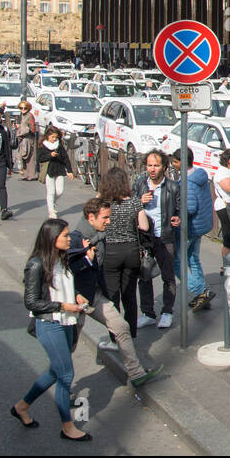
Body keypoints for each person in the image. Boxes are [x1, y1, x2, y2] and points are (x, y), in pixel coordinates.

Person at [70, 197, 162, 387]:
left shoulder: (99, 236)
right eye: (105, 217)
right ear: (90, 217)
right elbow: (65, 271)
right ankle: (64, 386)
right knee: (68, 345)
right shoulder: (75, 240)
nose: (109, 222)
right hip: (75, 300)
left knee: (120, 326)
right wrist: (86, 260)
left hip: (94, 296)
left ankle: (136, 373)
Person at [13, 219, 90, 440]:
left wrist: (75, 296)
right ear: (52, 238)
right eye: (65, 235)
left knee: (55, 372)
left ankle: (22, 407)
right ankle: (67, 426)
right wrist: (63, 306)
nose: (69, 238)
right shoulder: (36, 264)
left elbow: (60, 287)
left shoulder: (61, 259)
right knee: (66, 375)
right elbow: (31, 302)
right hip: (49, 323)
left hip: (66, 321)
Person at [133, 150, 179, 329]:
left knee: (168, 276)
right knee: (144, 276)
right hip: (145, 238)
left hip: (164, 236)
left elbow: (180, 209)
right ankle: (147, 313)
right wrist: (139, 201)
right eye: (149, 165)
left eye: (156, 165)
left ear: (164, 167)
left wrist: (178, 218)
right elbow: (129, 206)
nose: (152, 169)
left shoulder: (173, 187)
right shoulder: (139, 184)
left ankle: (167, 312)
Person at [97, 168, 143, 338]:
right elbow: (144, 226)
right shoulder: (134, 202)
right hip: (131, 251)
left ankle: (116, 336)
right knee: (129, 296)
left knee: (112, 296)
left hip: (110, 252)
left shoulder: (103, 203)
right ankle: (131, 334)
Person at [181, 155, 216, 310]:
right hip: (200, 226)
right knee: (193, 259)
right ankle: (201, 296)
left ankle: (201, 292)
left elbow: (189, 208)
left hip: (190, 228)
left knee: (177, 262)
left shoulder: (188, 182)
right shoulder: (200, 176)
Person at [39, 125, 75, 218]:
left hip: (59, 169)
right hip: (48, 171)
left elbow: (65, 158)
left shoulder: (59, 145)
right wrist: (50, 155)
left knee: (59, 191)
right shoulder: (43, 145)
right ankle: (51, 212)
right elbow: (40, 158)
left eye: (56, 137)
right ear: (47, 136)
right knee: (50, 192)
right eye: (52, 137)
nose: (54, 139)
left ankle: (52, 202)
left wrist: (70, 171)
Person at [213, 147, 230, 259]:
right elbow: (229, 188)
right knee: (228, 236)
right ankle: (227, 264)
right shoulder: (222, 172)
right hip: (225, 206)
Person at [16, 102, 38, 180]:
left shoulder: (30, 116)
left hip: (28, 138)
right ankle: (25, 175)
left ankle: (32, 175)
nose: (23, 110)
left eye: (25, 108)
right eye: (21, 108)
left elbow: (32, 128)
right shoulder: (22, 115)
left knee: (30, 157)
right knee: (23, 156)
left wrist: (22, 131)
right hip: (23, 138)